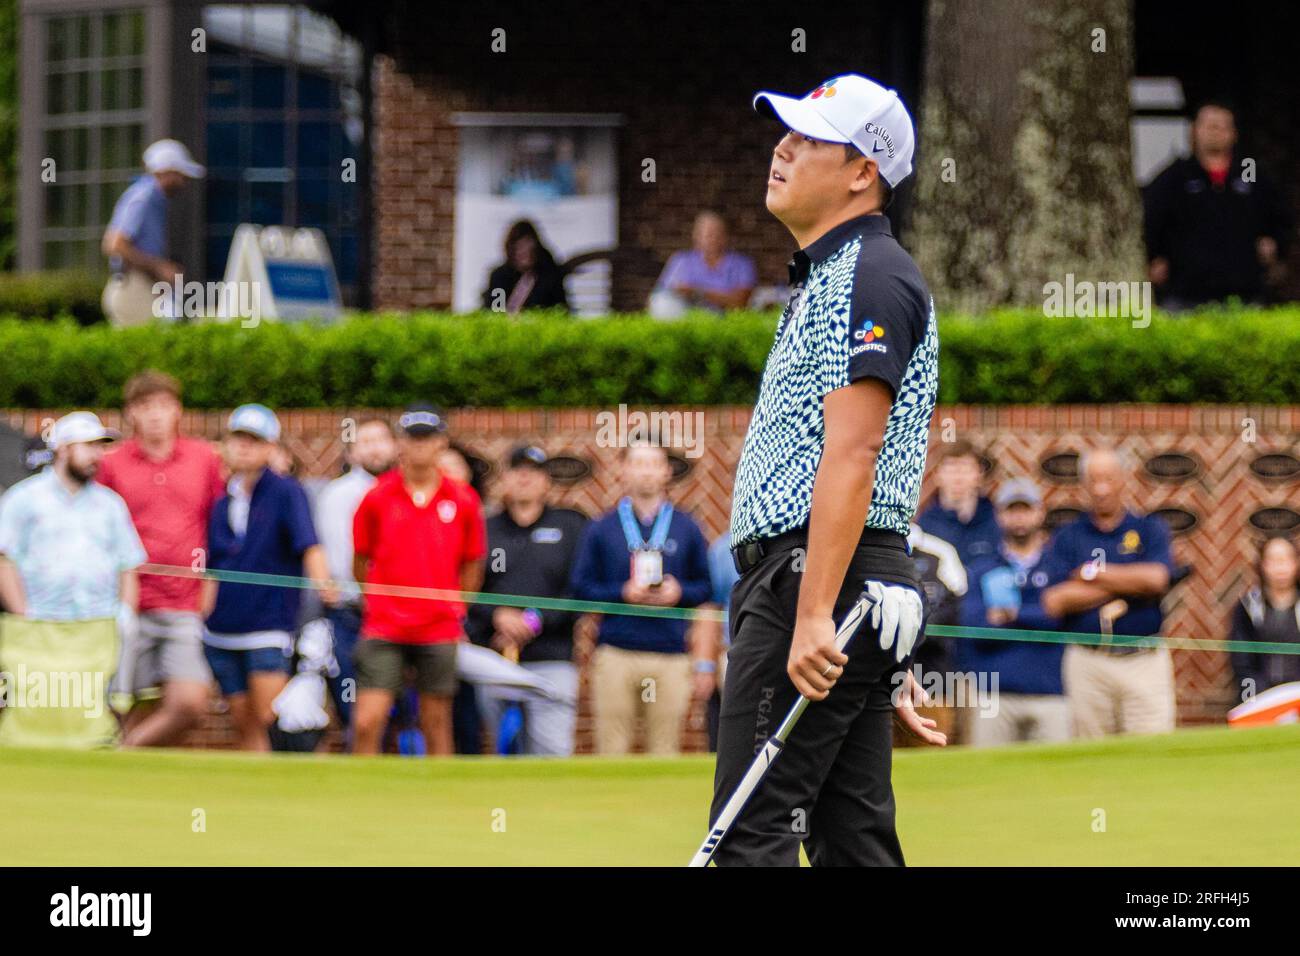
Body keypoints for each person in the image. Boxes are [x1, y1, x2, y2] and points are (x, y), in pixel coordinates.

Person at [710, 73, 941, 868]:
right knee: (853, 841)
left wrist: (819, 614)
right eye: (787, 132)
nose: (783, 147)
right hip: (840, 582)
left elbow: (856, 452)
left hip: (815, 578)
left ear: (861, 171)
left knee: (749, 835)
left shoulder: (870, 275)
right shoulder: (834, 275)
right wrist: (874, 637)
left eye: (810, 137)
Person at [0, 412, 146, 747]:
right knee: (36, 705)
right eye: (89, 446)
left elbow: (128, 565)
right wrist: (23, 613)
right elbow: (4, 559)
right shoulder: (23, 499)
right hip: (43, 625)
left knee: (104, 705)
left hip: (98, 625)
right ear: (63, 449)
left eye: (101, 447)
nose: (98, 455)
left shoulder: (110, 505)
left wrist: (125, 614)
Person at [96, 371, 225, 746]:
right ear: (131, 414)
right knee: (124, 703)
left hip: (184, 602)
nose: (155, 415)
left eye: (163, 405)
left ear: (177, 411)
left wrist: (210, 585)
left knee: (189, 702)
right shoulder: (112, 464)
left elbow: (217, 527)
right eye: (145, 406)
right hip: (126, 604)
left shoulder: (204, 459)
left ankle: (123, 754)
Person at [350, 405, 487, 756]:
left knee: (437, 722)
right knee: (368, 719)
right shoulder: (378, 496)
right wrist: (379, 600)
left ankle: (440, 802)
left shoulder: (462, 499)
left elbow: (472, 564)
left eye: (427, 438)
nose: (420, 446)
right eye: (413, 439)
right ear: (401, 444)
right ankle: (356, 798)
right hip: (385, 625)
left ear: (442, 443)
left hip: (438, 627)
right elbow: (361, 560)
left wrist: (456, 606)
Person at [203, 404, 336, 751]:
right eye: (238, 439)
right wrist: (200, 616)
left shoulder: (286, 491)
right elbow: (213, 566)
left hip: (268, 627)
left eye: (254, 440)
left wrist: (325, 590)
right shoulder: (221, 499)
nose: (244, 447)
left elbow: (310, 545)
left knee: (275, 720)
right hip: (221, 630)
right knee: (244, 722)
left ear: (270, 447)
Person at [570, 443, 712, 755]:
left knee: (665, 750)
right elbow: (581, 588)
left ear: (666, 471)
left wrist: (678, 593)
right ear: (623, 471)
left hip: (672, 655)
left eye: (653, 464)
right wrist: (623, 593)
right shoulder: (601, 527)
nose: (646, 471)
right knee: (611, 748)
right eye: (638, 463)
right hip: (616, 652)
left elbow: (705, 588)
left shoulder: (687, 526)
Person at [1041, 448, 1177, 738]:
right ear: (1084, 485)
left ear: (1123, 480)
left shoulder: (1149, 528)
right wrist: (1128, 583)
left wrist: (1092, 574)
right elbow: (1055, 601)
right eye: (1093, 480)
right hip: (1088, 663)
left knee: (1151, 754)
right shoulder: (1068, 536)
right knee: (1090, 758)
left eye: (1108, 479)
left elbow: (1156, 579)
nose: (1101, 488)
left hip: (1144, 660)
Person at [466, 445, 588, 755]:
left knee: (552, 753)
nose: (524, 478)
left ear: (546, 480)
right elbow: (466, 589)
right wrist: (497, 615)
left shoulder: (570, 526)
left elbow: (579, 591)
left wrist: (533, 619)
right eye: (516, 470)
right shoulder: (484, 528)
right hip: (494, 656)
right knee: (504, 750)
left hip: (552, 657)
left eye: (532, 471)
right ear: (504, 479)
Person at [1143, 99, 1292, 309]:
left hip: (1246, 292)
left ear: (1234, 133)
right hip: (1185, 294)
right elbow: (1150, 220)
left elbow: (1279, 215)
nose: (1217, 132)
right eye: (1211, 126)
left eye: (1224, 126)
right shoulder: (1177, 175)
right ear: (1194, 130)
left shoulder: (1247, 171)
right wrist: (1153, 258)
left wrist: (1275, 243)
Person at [956, 478, 1069, 746]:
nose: (1019, 518)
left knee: (1056, 781)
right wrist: (1036, 613)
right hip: (994, 695)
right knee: (989, 778)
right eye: (1011, 510)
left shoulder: (1057, 568)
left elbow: (1058, 618)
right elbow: (975, 630)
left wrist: (1011, 614)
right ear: (999, 515)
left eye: (1026, 509)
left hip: (1050, 693)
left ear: (1040, 512)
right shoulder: (982, 569)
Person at [312, 418, 397, 739]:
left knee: (396, 707)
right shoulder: (338, 494)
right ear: (352, 451)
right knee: (353, 705)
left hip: (397, 617)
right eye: (365, 441)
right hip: (350, 615)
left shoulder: (407, 492)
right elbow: (333, 554)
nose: (374, 448)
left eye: (380, 439)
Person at [100, 139, 206, 327]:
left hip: (140, 286)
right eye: (180, 175)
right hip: (132, 288)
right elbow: (115, 244)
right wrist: (159, 267)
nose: (183, 182)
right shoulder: (143, 198)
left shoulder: (153, 199)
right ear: (166, 172)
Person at [900, 522, 966, 744]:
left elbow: (954, 607)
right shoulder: (866, 545)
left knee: (931, 748)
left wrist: (914, 630)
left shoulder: (939, 551)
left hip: (931, 679)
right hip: (877, 681)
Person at [1229, 535, 1300, 701]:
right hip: (1260, 698)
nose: (1280, 567)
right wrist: (1252, 698)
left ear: (1296, 563)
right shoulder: (1247, 607)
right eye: (1274, 560)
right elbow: (1242, 663)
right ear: (1262, 564)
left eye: (1285, 559)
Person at [650, 211, 758, 316]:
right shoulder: (681, 260)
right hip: (685, 316)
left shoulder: (742, 264)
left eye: (717, 233)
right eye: (708, 234)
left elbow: (740, 302)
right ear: (696, 236)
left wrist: (698, 292)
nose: (713, 239)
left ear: (725, 237)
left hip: (723, 320)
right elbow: (660, 296)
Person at [917, 439, 999, 567]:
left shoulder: (996, 520)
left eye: (965, 469)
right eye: (951, 469)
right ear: (937, 475)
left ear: (979, 474)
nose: (958, 478)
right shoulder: (926, 525)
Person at [481, 220, 569, 314]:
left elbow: (560, 310)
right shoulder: (500, 277)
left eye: (529, 246)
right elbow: (496, 310)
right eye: (520, 248)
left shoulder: (549, 278)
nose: (524, 253)